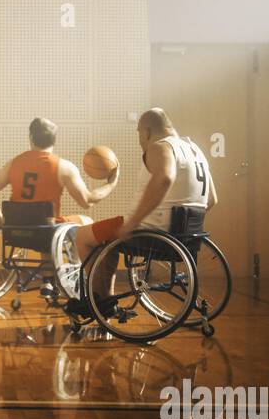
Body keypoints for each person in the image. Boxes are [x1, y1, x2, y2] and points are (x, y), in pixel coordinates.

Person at [71, 108, 217, 298]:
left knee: (81, 236)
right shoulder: (195, 150)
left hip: (152, 229)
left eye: (140, 134)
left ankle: (99, 299)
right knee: (104, 241)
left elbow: (165, 178)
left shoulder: (160, 146)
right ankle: (105, 295)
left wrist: (132, 223)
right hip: (188, 235)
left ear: (147, 131)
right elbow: (212, 199)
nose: (140, 140)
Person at [0, 116, 118, 227]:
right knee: (87, 221)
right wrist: (110, 184)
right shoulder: (64, 167)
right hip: (47, 232)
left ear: (30, 137)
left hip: (16, 228)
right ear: (54, 140)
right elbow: (87, 202)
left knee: (45, 226)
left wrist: (0, 221)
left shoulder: (13, 164)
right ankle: (74, 260)